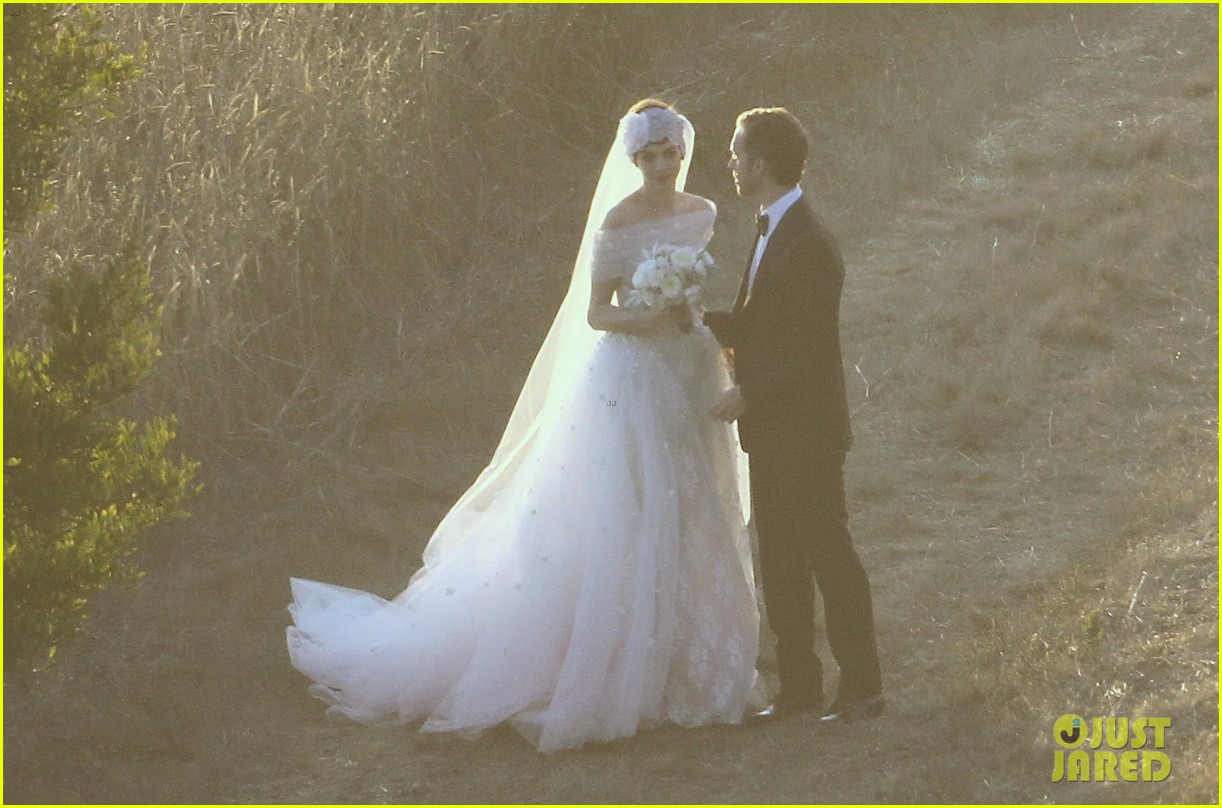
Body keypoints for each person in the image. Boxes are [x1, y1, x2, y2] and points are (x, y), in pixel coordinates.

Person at [287, 99, 762, 753]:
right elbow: (597, 313)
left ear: (684, 153)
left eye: (671, 154)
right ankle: (616, 659)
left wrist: (688, 317)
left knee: (695, 501)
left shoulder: (702, 213)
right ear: (634, 161)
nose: (663, 166)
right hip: (633, 374)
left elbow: (697, 294)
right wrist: (646, 313)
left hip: (689, 365)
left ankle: (695, 655)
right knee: (629, 508)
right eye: (650, 156)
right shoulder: (617, 224)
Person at [705, 107, 884, 723]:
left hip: (806, 433)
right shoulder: (772, 229)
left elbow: (807, 350)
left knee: (829, 556)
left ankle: (863, 688)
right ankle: (800, 689)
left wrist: (746, 393)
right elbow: (759, 327)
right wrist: (687, 318)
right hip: (774, 434)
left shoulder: (808, 242)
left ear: (761, 163)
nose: (729, 162)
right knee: (781, 562)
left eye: (736, 152)